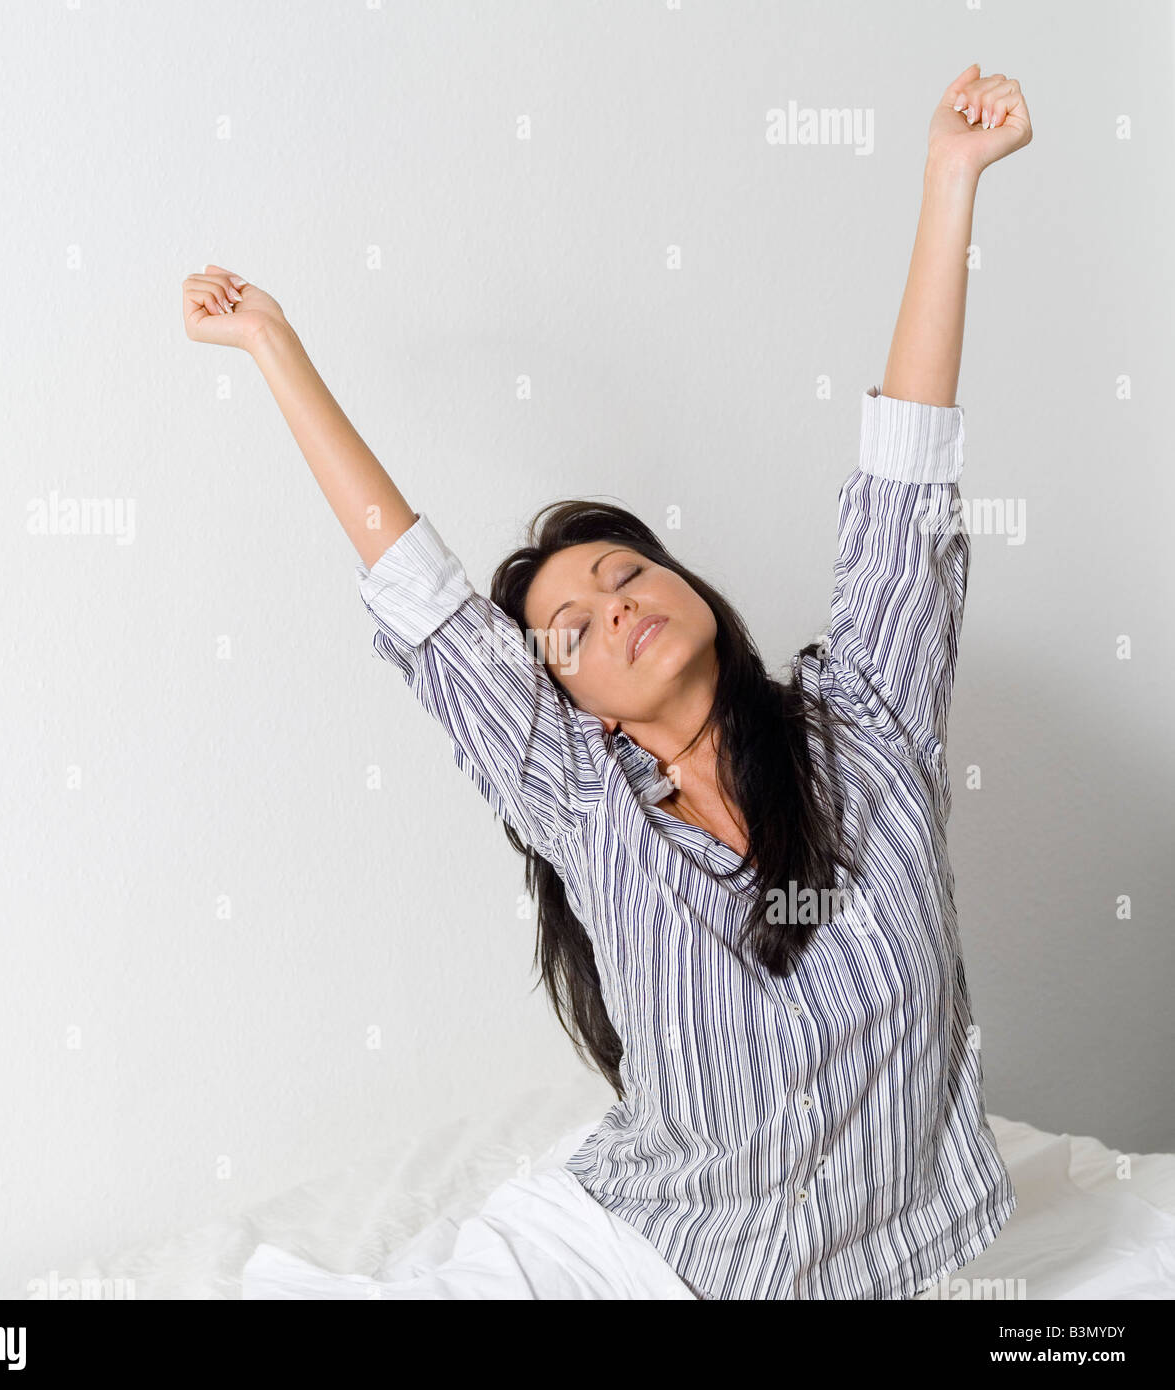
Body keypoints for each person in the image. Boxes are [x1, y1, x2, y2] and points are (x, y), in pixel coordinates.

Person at [182, 63, 1033, 1300]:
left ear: (695, 596)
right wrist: (272, 345)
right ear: (566, 705)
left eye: (626, 570)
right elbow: (424, 598)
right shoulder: (587, 806)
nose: (614, 605)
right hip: (626, 1258)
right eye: (569, 629)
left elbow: (905, 482)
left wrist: (948, 179)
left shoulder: (869, 722)